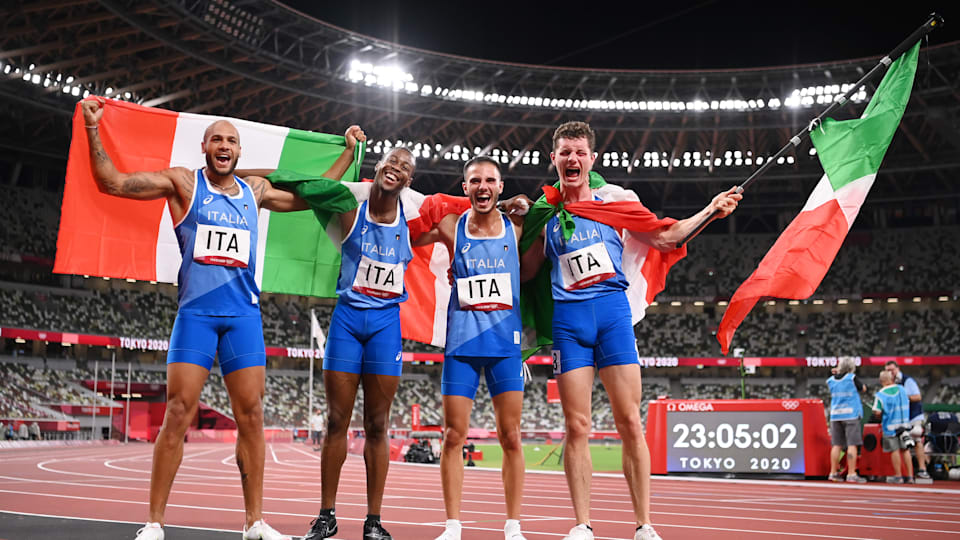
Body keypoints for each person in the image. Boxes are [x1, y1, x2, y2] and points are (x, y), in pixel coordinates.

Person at [82, 97, 364, 540]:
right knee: (178, 412)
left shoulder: (255, 191)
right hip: (196, 315)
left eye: (231, 140)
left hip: (243, 318)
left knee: (251, 415)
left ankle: (255, 523)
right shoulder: (183, 183)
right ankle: (154, 522)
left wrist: (347, 152)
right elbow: (112, 182)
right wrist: (93, 129)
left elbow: (316, 192)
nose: (224, 145)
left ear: (239, 151)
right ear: (205, 147)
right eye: (217, 139)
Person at [520, 121, 741, 540]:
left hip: (613, 320)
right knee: (577, 426)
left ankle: (644, 524)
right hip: (569, 324)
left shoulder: (615, 204)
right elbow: (527, 271)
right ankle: (582, 525)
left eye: (580, 152)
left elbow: (667, 237)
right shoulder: (544, 215)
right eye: (565, 152)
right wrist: (511, 226)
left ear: (592, 159)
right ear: (554, 159)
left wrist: (710, 210)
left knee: (630, 423)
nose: (572, 159)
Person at [302, 146, 417, 540]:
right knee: (337, 421)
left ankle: (373, 521)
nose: (396, 168)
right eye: (391, 161)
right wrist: (350, 152)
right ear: (378, 166)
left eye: (405, 167)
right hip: (347, 323)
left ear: (408, 181)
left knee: (378, 425)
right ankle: (327, 516)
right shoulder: (352, 209)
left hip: (386, 326)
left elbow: (464, 213)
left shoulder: (413, 219)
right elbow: (317, 189)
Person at [414, 156, 529, 540]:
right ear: (465, 188)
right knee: (452, 435)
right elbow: (409, 236)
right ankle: (452, 525)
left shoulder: (516, 226)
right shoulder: (452, 226)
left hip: (505, 345)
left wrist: (518, 205)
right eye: (475, 181)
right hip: (462, 344)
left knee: (511, 436)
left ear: (500, 186)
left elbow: (543, 214)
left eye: (490, 180)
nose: (483, 186)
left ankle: (513, 525)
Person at [885, 360, 929, 479]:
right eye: (888, 370)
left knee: (917, 440)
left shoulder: (907, 380)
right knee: (903, 445)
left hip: (913, 416)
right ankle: (906, 473)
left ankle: (922, 469)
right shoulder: (890, 383)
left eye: (892, 370)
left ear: (897, 369)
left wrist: (902, 397)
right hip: (901, 418)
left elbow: (917, 397)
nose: (890, 372)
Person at [826, 358, 867, 482]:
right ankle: (851, 473)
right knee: (852, 445)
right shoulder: (852, 378)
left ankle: (833, 472)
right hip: (851, 414)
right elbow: (863, 389)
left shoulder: (830, 380)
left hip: (835, 415)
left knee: (836, 445)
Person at [872, 369, 914, 484]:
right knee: (905, 450)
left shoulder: (881, 394)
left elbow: (877, 411)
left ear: (881, 381)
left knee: (894, 450)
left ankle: (898, 476)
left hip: (890, 427)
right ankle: (910, 476)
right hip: (904, 424)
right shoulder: (902, 389)